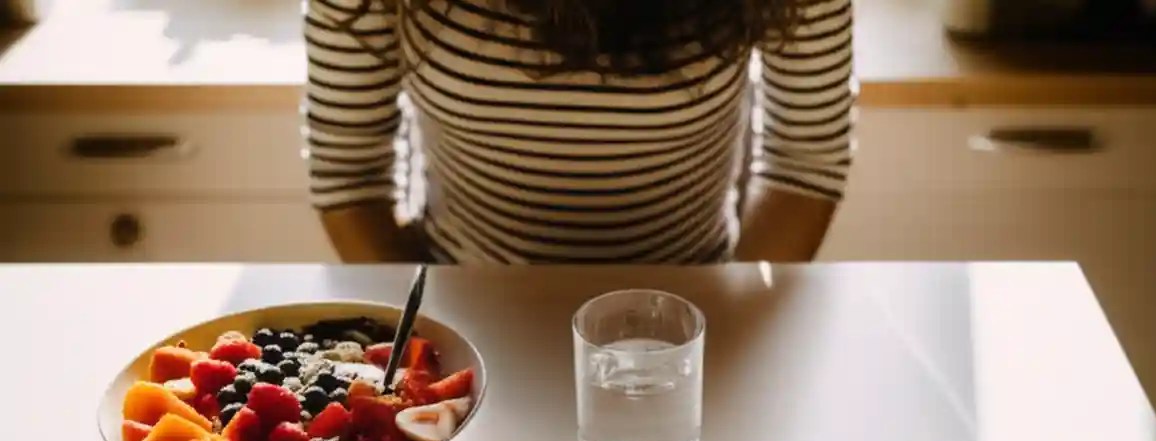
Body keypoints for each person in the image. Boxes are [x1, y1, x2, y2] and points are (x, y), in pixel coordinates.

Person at [304, 0, 853, 263]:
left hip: (693, 331)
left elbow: (804, 161)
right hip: (466, 332)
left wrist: (715, 332)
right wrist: (433, 342)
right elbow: (349, 170)